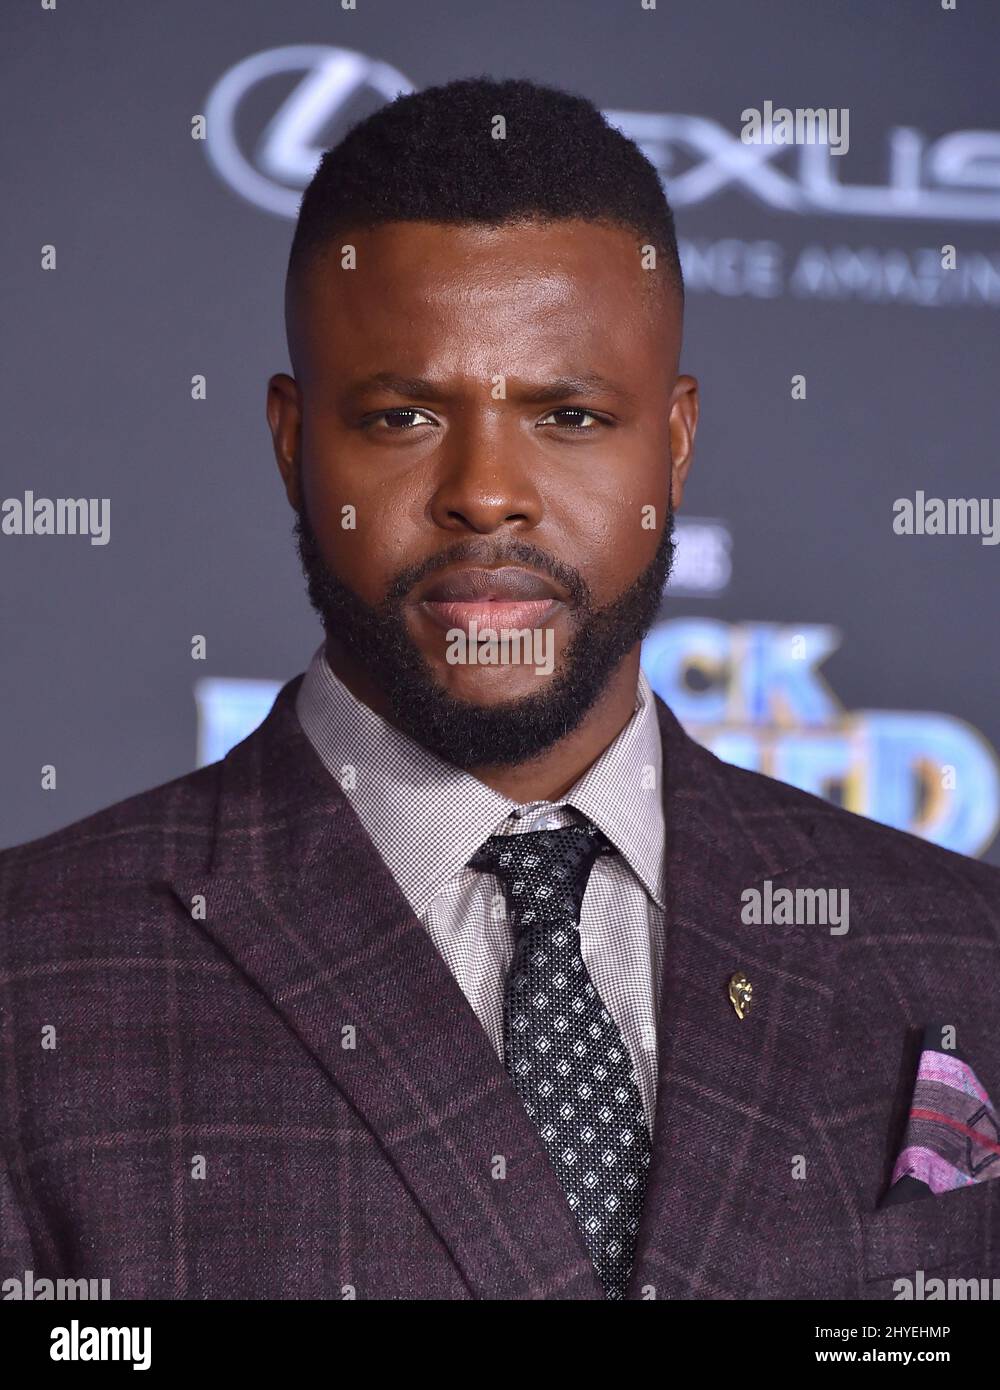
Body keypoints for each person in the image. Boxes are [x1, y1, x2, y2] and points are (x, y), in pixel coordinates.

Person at [2, 77, 998, 1302]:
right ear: (293, 441)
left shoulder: (964, 948)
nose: (485, 492)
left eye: (569, 415)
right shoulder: (29, 975)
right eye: (403, 416)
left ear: (674, 443)